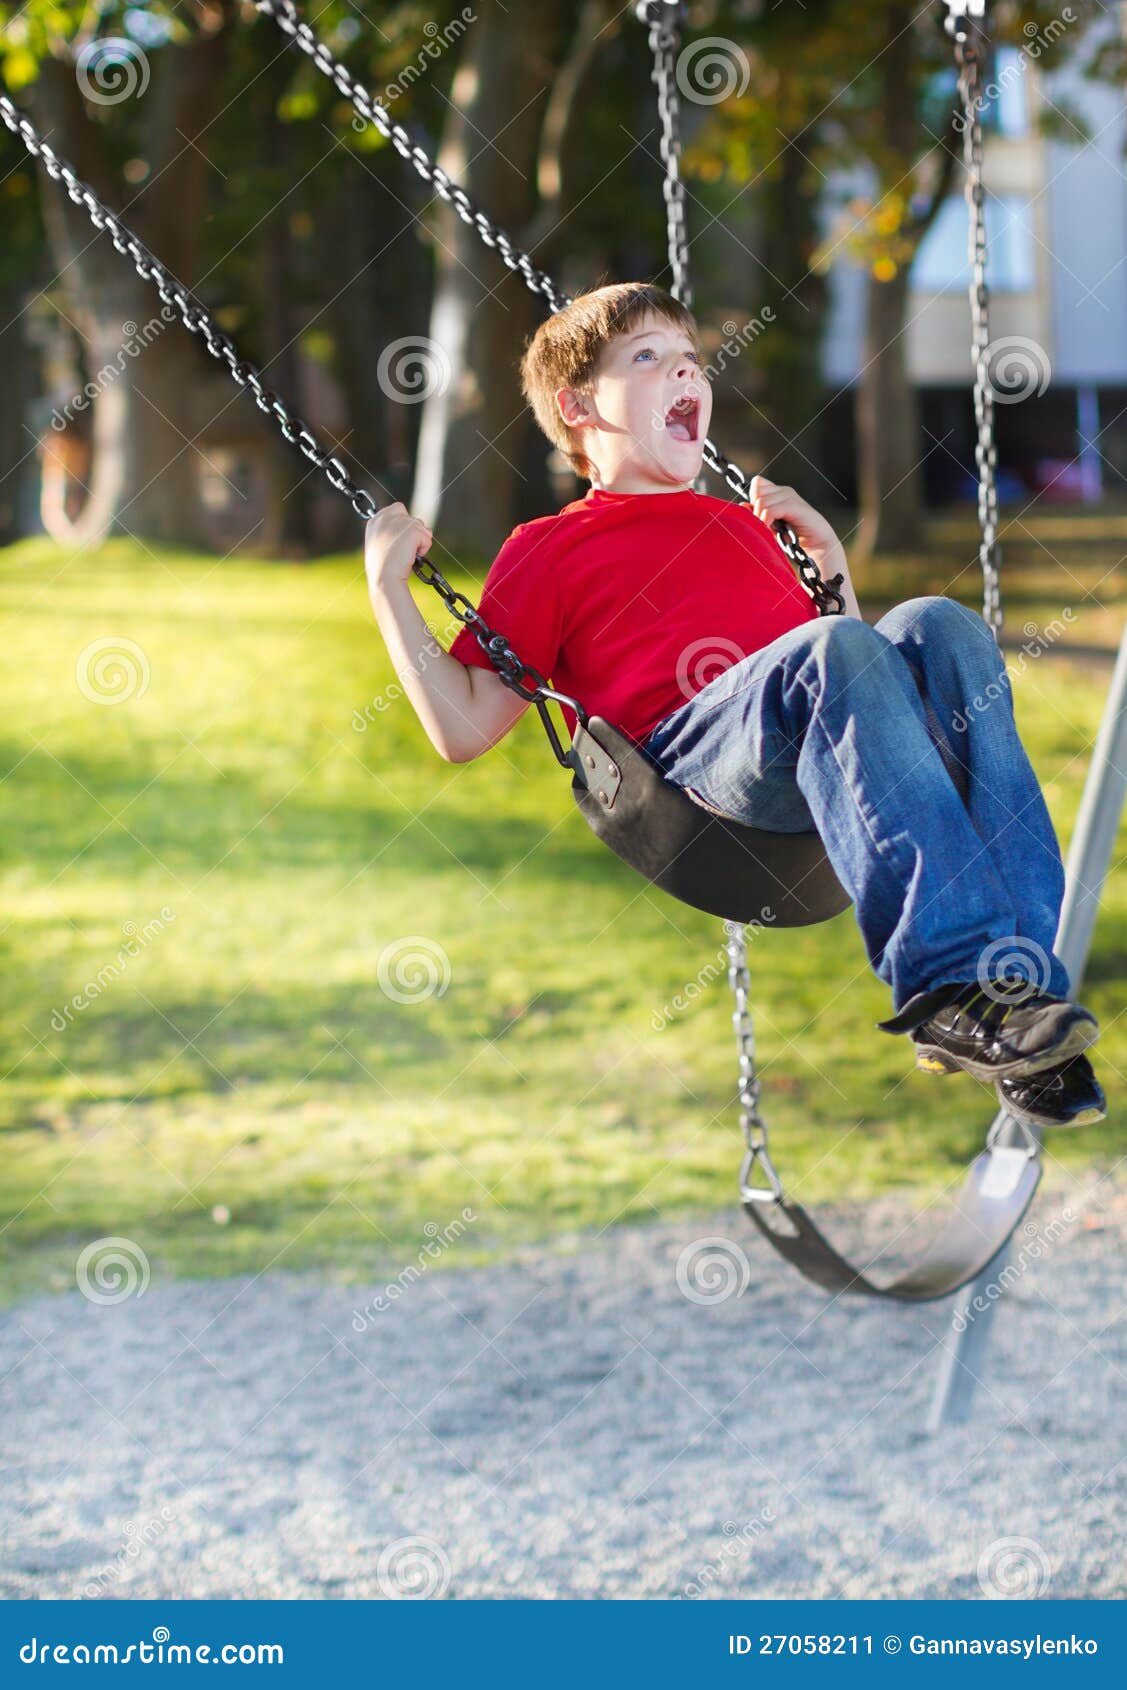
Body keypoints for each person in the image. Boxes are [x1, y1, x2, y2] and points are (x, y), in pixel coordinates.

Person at [364, 282, 1104, 1131]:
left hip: (799, 766)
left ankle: (1016, 1005)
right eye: (647, 359)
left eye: (689, 359)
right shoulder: (551, 547)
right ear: (577, 407)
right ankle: (948, 988)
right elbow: (463, 728)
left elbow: (870, 713)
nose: (683, 371)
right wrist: (389, 589)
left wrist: (831, 579)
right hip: (694, 775)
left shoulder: (746, 529)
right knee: (833, 649)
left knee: (941, 627)